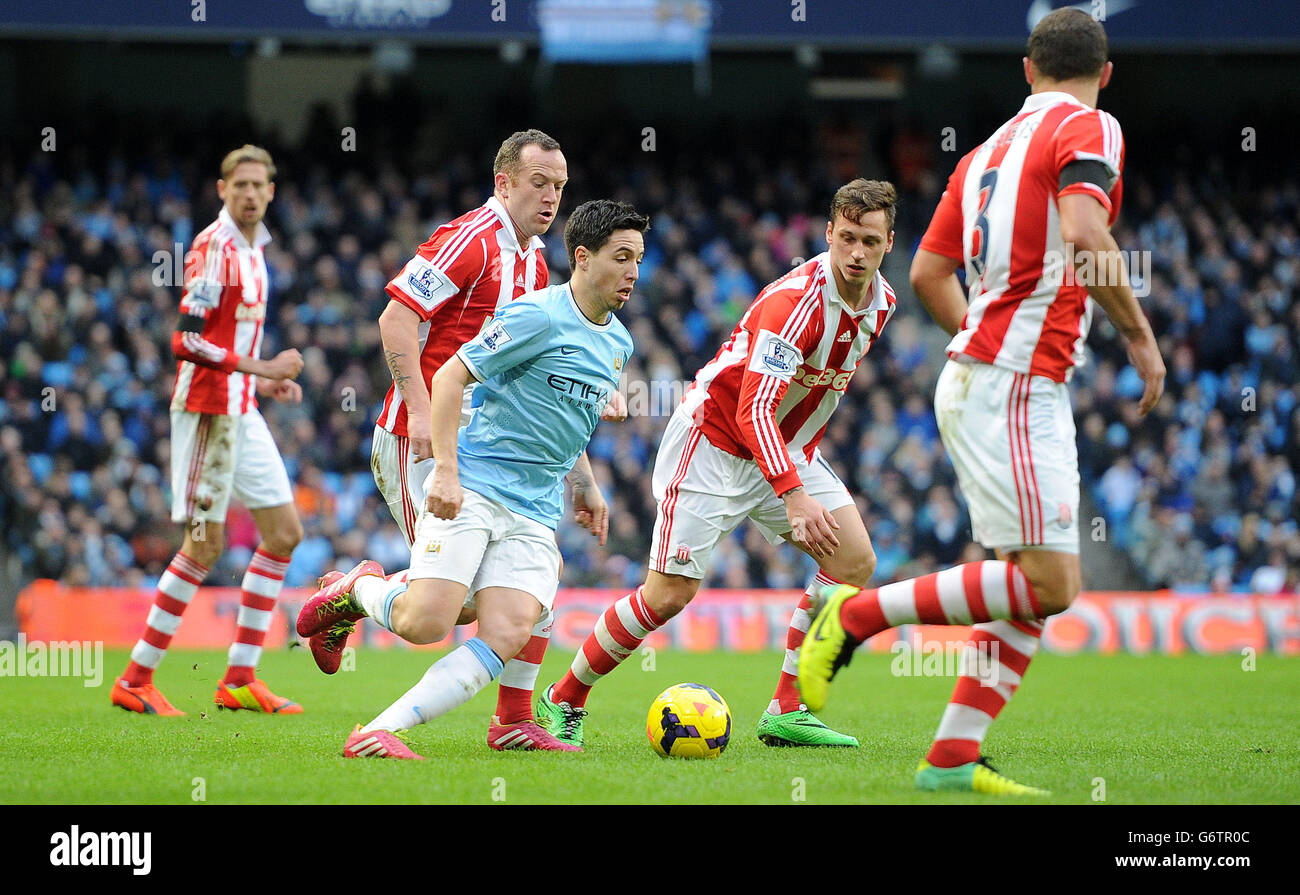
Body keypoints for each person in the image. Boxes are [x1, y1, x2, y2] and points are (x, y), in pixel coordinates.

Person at [799, 8, 1165, 795]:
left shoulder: (985, 152)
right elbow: (1086, 229)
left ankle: (952, 757)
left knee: (1025, 579)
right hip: (1015, 383)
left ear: (1027, 71)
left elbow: (929, 273)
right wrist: (1138, 335)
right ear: (1105, 75)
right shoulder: (1092, 127)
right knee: (1054, 584)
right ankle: (856, 618)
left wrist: (981, 342)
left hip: (990, 376)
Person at [537, 179, 902, 749]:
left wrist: (796, 469)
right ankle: (564, 698)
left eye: (870, 242)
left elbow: (814, 393)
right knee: (668, 596)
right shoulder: (795, 303)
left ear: (888, 243)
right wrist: (794, 495)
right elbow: (753, 404)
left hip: (783, 451)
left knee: (853, 560)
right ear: (828, 233)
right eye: (847, 238)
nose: (857, 253)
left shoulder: (882, 304)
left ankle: (787, 709)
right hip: (714, 444)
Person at [297, 199, 647, 759]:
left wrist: (585, 483)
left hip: (533, 506)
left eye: (639, 259)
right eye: (622, 257)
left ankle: (385, 730)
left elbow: (564, 423)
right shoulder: (535, 312)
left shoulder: (618, 342)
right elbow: (453, 376)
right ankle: (357, 589)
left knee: (512, 621)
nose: (633, 271)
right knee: (429, 618)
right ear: (583, 258)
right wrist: (446, 471)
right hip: (477, 483)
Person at [111, 145, 307, 716]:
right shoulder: (213, 247)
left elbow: (227, 338)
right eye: (239, 184)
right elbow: (185, 340)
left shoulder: (255, 249)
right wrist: (264, 367)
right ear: (222, 189)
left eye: (259, 185)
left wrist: (261, 383)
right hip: (205, 412)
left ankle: (240, 678)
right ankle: (135, 678)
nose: (249, 193)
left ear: (271, 191)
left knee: (284, 533)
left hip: (242, 408)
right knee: (204, 544)